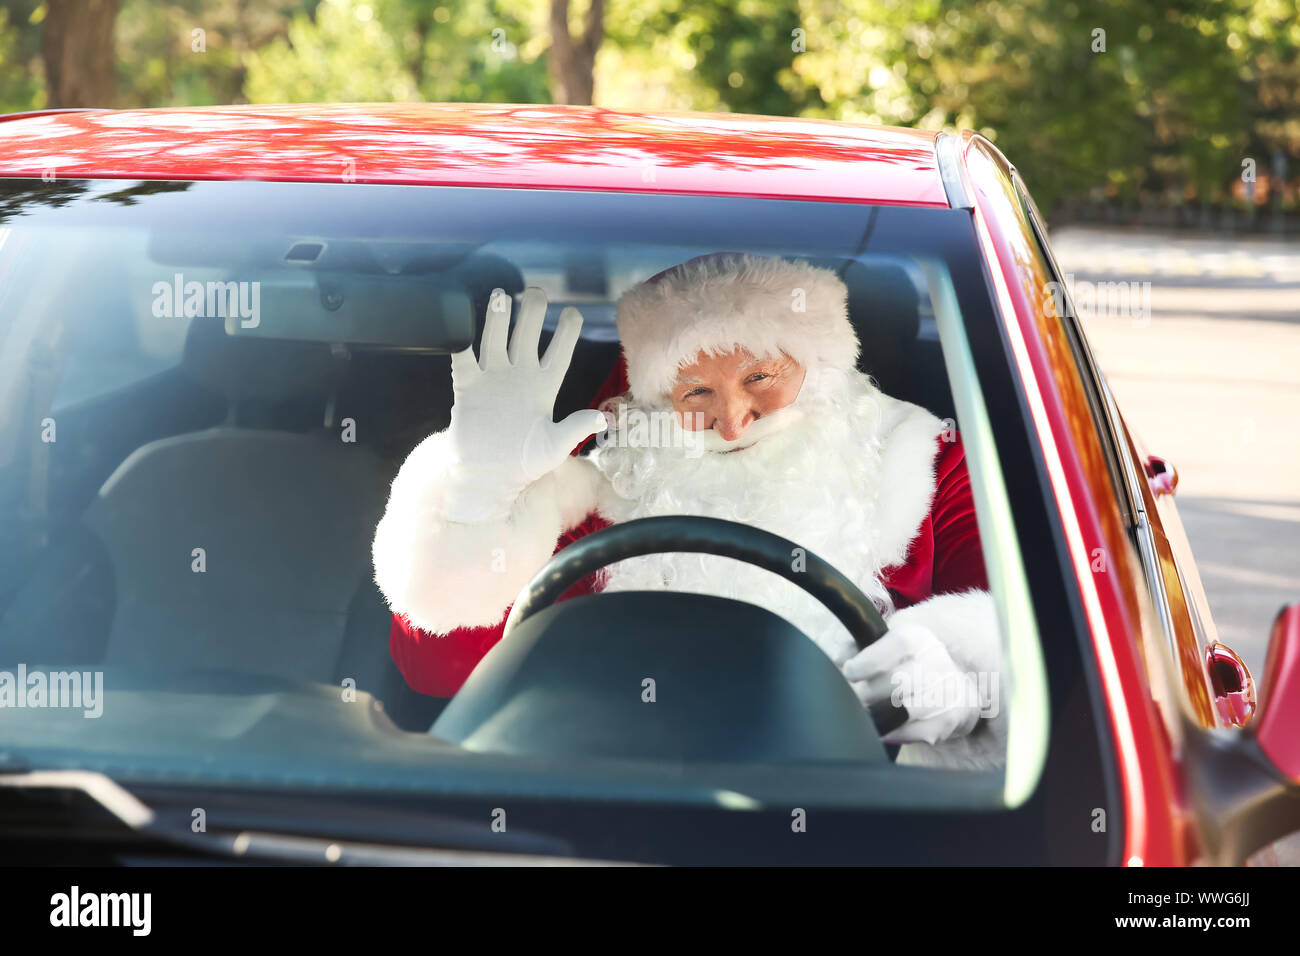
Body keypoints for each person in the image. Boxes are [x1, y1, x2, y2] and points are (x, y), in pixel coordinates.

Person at [373, 253, 1005, 769]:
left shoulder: (922, 460)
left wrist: (957, 665)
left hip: (843, 813)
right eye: (697, 391)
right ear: (653, 394)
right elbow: (436, 671)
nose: (732, 421)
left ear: (816, 364)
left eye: (760, 376)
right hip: (604, 795)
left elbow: (1021, 639)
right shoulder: (603, 481)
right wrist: (477, 495)